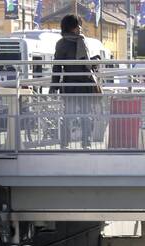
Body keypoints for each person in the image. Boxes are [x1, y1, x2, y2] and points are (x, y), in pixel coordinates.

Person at [50, 14, 101, 148]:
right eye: (77, 25)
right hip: (72, 83)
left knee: (84, 114)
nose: (79, 28)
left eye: (79, 25)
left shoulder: (82, 40)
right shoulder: (63, 43)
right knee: (70, 115)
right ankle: (66, 142)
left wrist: (95, 60)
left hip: (83, 83)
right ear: (70, 27)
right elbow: (57, 66)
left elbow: (86, 62)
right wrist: (54, 85)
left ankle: (85, 142)